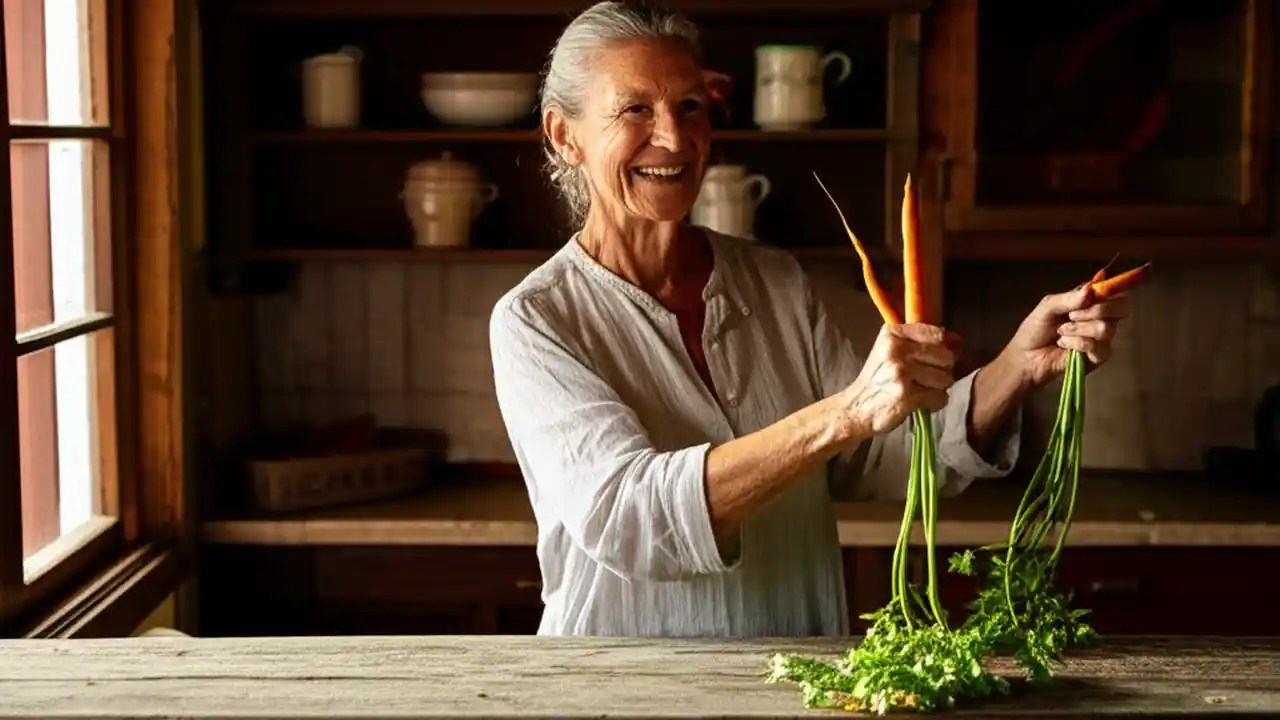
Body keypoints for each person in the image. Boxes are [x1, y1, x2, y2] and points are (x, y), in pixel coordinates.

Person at [489, 1, 1128, 637]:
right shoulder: (538, 320)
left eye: (691, 106)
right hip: (619, 688)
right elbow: (633, 521)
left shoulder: (775, 282)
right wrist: (845, 413)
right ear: (564, 135)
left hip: (793, 676)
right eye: (635, 109)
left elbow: (880, 456)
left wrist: (1017, 366)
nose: (676, 138)